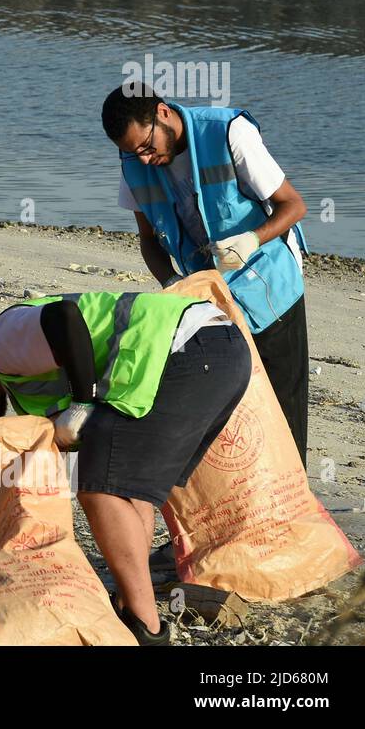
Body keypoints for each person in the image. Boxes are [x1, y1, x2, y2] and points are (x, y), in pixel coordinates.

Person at [0, 290, 252, 645]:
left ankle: (146, 629)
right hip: (219, 350)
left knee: (99, 489)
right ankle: (131, 606)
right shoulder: (23, 388)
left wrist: (81, 402)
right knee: (121, 487)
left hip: (186, 349)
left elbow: (65, 318)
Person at [101, 84, 310, 464]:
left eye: (147, 147)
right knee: (231, 412)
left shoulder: (229, 132)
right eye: (133, 152)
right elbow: (149, 240)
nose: (144, 159)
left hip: (269, 290)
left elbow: (293, 206)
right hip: (208, 300)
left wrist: (251, 239)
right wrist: (170, 282)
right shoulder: (133, 162)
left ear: (163, 113)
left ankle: (293, 506)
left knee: (283, 414)